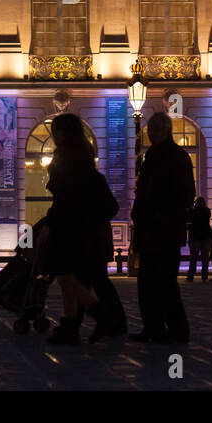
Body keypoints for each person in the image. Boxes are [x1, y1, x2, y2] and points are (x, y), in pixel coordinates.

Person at [42, 113, 123, 345]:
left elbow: (64, 195)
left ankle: (99, 314)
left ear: (62, 132)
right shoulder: (84, 154)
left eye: (55, 131)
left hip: (67, 225)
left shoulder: (65, 156)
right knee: (68, 275)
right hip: (80, 227)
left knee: (65, 277)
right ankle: (70, 327)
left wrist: (51, 221)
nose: (53, 136)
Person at [130, 111, 195, 344]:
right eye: (151, 129)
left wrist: (158, 212)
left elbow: (186, 195)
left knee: (163, 281)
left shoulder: (174, 157)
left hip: (164, 229)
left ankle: (175, 329)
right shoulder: (157, 155)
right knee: (149, 281)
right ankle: (155, 327)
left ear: (168, 131)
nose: (154, 133)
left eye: (158, 129)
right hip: (155, 228)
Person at [185, 197, 212, 282]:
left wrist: (190, 208)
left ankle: (190, 276)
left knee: (193, 258)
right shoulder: (207, 211)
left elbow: (188, 219)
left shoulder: (193, 211)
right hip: (205, 237)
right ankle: (204, 276)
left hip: (195, 237)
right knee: (205, 258)